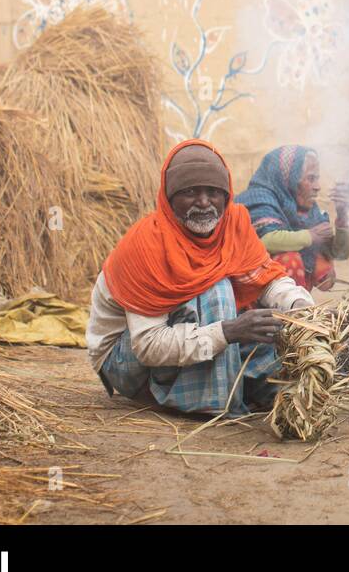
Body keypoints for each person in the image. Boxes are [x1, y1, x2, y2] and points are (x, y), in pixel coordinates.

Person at [85, 140, 314, 415]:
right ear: (169, 198)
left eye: (214, 192)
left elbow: (266, 279)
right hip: (127, 364)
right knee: (217, 290)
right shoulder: (145, 245)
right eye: (190, 192)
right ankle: (214, 404)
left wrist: (299, 307)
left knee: (267, 334)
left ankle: (227, 385)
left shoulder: (232, 225)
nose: (204, 203)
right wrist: (228, 331)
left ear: (226, 196)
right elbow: (147, 345)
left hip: (183, 339)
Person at [235, 145, 349, 292]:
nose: (317, 187)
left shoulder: (306, 210)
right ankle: (289, 312)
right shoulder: (258, 198)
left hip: (282, 290)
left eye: (317, 179)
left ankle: (296, 305)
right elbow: (265, 241)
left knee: (323, 260)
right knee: (290, 260)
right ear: (289, 178)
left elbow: (340, 254)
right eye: (310, 178)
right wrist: (310, 236)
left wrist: (342, 215)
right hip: (250, 292)